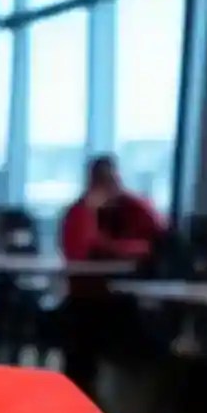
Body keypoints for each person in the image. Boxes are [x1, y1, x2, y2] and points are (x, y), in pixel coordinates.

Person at [59, 155, 167, 395]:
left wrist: (108, 246)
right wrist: (88, 209)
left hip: (131, 299)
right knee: (80, 329)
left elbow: (156, 245)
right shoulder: (80, 212)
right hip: (88, 297)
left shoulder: (134, 209)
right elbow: (77, 252)